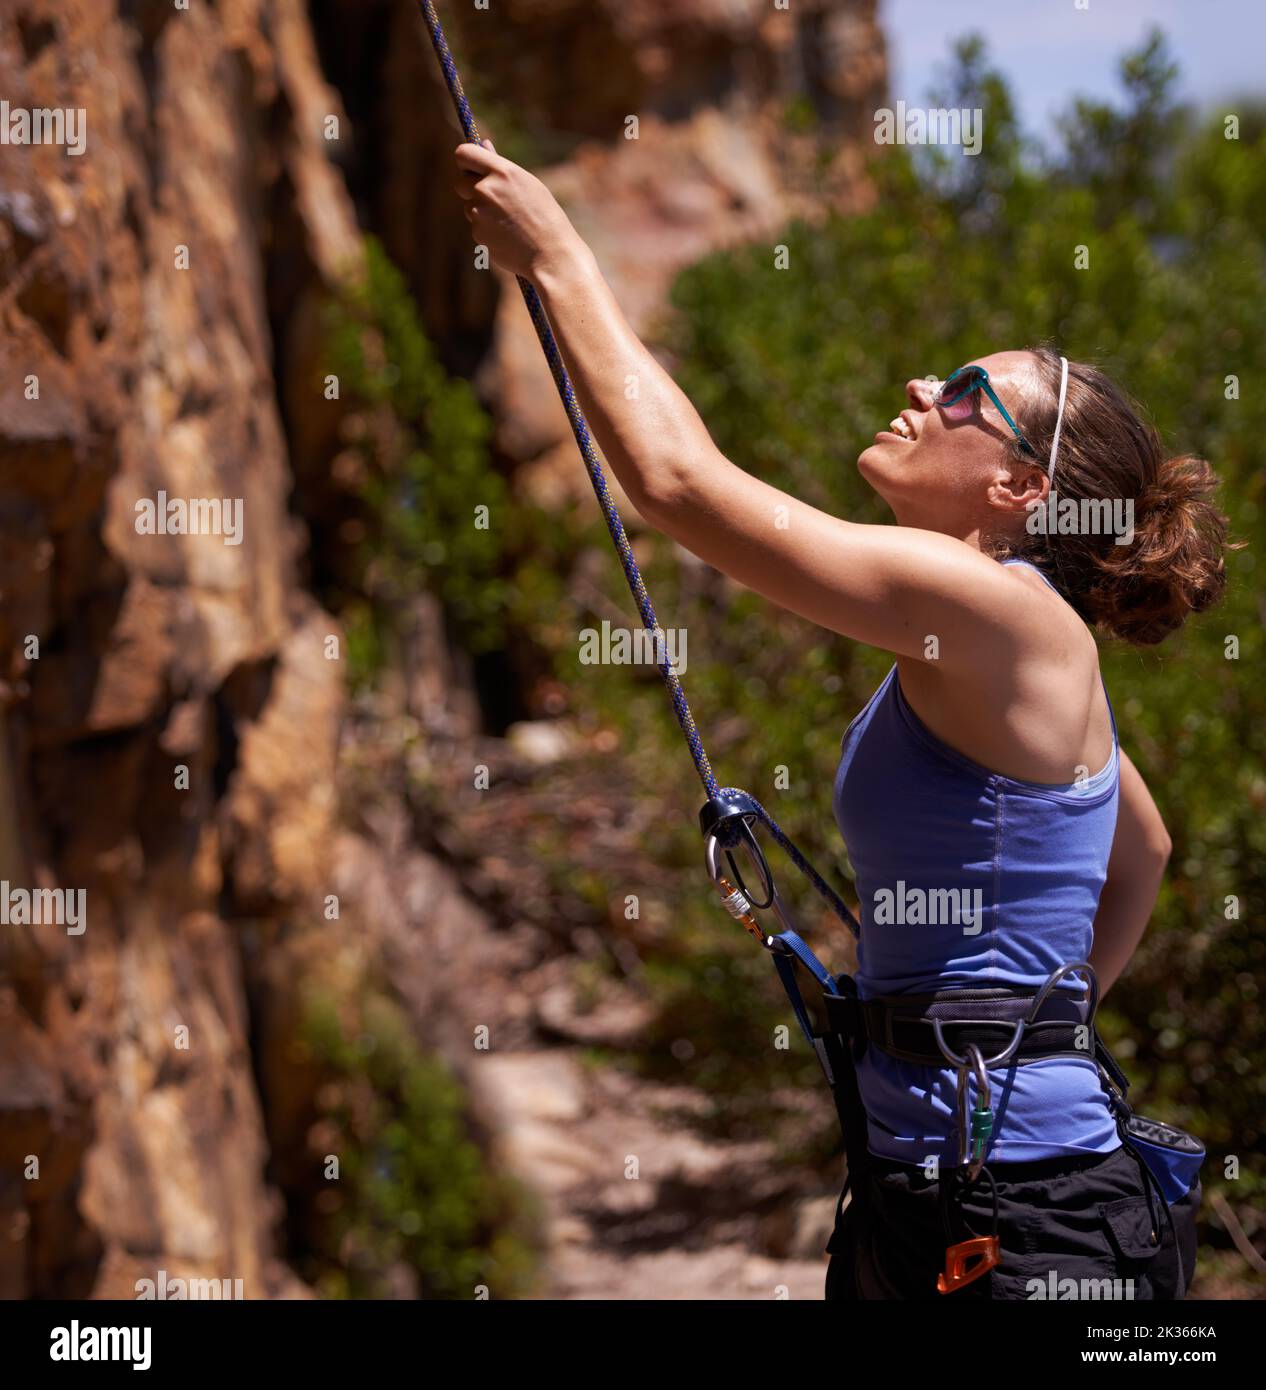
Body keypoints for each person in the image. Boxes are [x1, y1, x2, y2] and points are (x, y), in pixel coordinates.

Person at [452, 140, 1231, 1299]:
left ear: (1021, 490)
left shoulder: (992, 614)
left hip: (1017, 1214)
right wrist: (1028, 1031)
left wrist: (561, 254)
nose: (924, 388)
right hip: (967, 1192)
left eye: (967, 395)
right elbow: (1146, 846)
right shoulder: (1020, 635)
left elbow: (679, 486)